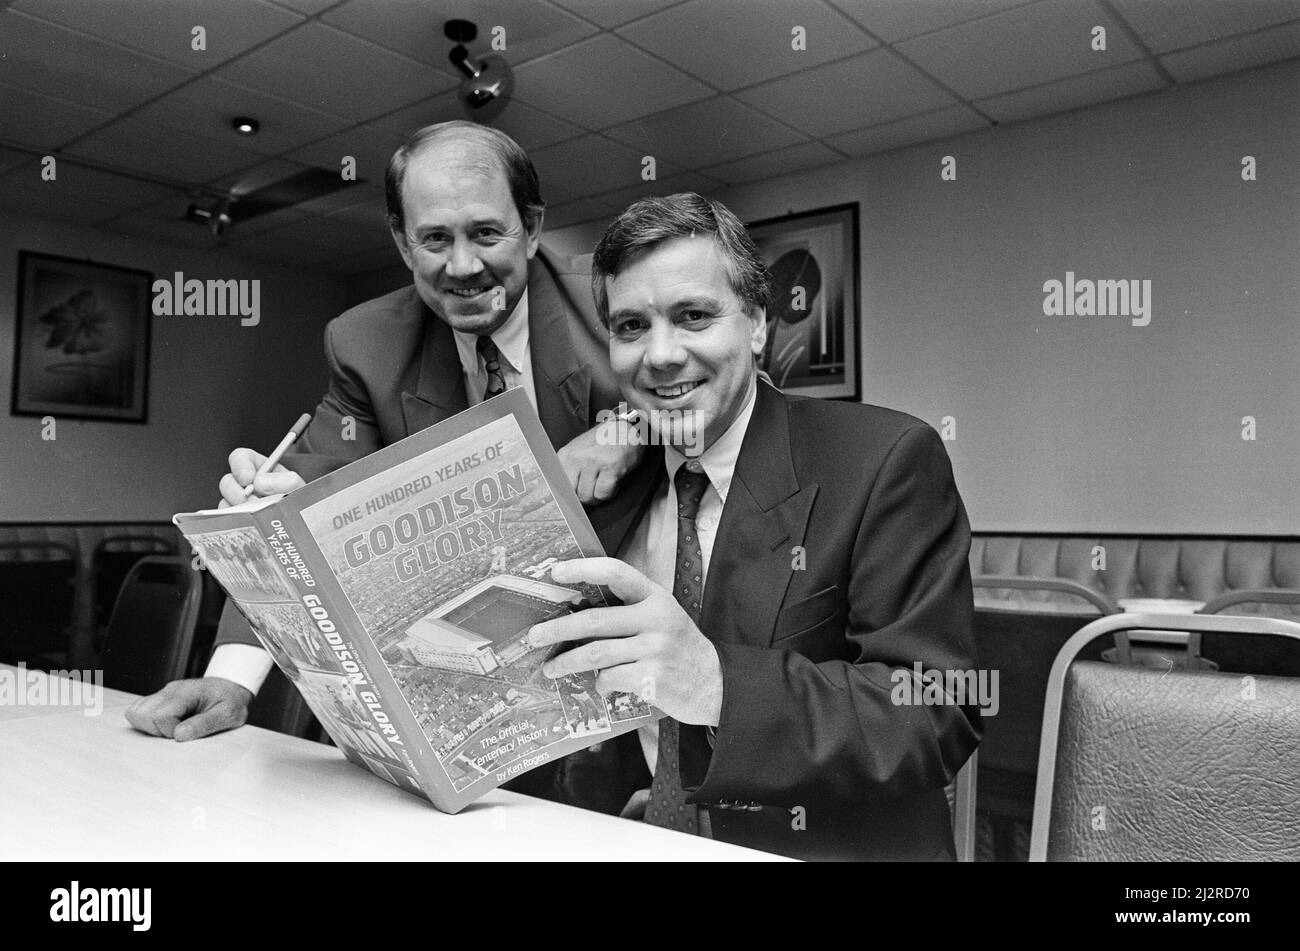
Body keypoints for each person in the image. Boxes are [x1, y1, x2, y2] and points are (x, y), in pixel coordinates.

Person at [126, 121, 638, 743]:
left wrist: (634, 425)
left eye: (485, 232)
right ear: (402, 244)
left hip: (621, 652)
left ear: (530, 228)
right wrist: (234, 679)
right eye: (434, 239)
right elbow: (294, 512)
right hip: (464, 665)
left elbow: (735, 386)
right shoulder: (365, 345)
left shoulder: (617, 305)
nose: (463, 266)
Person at [521, 193, 982, 860]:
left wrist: (716, 684)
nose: (660, 355)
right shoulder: (604, 486)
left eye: (694, 316)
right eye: (629, 327)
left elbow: (936, 711)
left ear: (759, 323)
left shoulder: (884, 459)